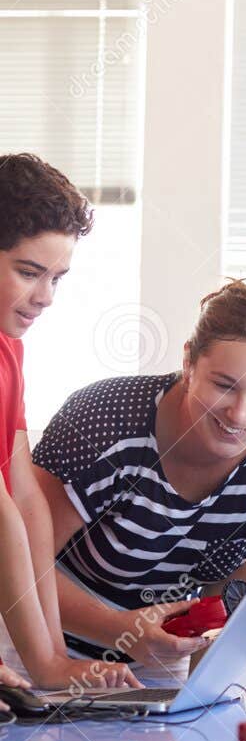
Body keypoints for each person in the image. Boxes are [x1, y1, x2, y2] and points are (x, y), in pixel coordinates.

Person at [30, 280, 246, 680]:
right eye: (224, 386)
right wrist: (119, 630)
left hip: (160, 657)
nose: (239, 414)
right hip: (43, 646)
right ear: (188, 362)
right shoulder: (102, 422)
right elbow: (20, 565)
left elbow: (244, 578)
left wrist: (201, 690)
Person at [0, 153, 131, 694]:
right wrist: (49, 667)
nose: (46, 297)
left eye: (56, 277)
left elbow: (24, 492)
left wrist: (52, 655)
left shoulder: (9, 351)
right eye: (29, 273)